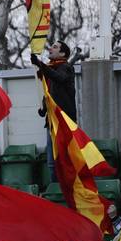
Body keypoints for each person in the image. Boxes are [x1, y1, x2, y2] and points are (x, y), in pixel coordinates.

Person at [32, 41, 76, 181]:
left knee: (64, 160)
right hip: (52, 121)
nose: (50, 48)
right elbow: (50, 95)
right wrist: (44, 109)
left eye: (55, 47)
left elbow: (59, 78)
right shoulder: (50, 70)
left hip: (64, 122)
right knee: (51, 162)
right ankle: (55, 190)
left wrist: (40, 64)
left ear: (63, 54)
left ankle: (67, 191)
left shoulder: (65, 67)